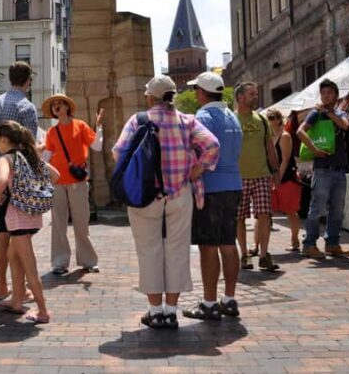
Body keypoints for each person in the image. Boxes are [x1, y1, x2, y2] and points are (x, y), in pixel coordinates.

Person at [113, 75, 219, 330]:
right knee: (177, 250)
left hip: (146, 194)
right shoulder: (186, 120)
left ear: (151, 97)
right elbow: (212, 145)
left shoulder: (139, 120)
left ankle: (155, 311)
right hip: (179, 193)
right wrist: (196, 169)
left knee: (148, 250)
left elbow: (118, 152)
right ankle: (171, 312)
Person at [182, 72, 243, 321]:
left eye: (196, 90)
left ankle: (209, 303)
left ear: (201, 92)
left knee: (208, 246)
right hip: (234, 185)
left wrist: (194, 171)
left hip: (211, 187)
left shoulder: (203, 117)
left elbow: (205, 149)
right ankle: (229, 299)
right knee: (228, 244)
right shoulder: (233, 117)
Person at [0, 61, 38, 301]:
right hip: (19, 180)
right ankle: (20, 288)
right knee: (20, 236)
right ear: (28, 81)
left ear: (9, 77)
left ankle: (2, 286)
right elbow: (31, 147)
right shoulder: (27, 107)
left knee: (3, 233)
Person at [0, 121, 59, 324]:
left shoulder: (6, 158)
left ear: (4, 140)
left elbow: (2, 180)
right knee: (12, 255)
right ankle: (16, 300)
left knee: (30, 266)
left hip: (18, 218)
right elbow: (56, 175)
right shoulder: (29, 156)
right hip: (33, 216)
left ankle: (43, 311)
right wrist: (35, 190)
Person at [41, 94, 103, 275]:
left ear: (67, 107)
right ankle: (59, 262)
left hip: (77, 180)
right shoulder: (52, 132)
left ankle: (88, 261)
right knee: (58, 223)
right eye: (54, 105)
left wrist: (99, 126)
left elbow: (97, 146)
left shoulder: (80, 125)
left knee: (81, 222)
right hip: (57, 181)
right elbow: (47, 156)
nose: (56, 106)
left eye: (60, 103)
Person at [297, 78, 349, 259]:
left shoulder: (340, 113)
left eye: (329, 93)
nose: (326, 96)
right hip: (322, 168)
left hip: (339, 169)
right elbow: (300, 131)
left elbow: (345, 125)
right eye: (323, 93)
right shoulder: (315, 113)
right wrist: (313, 149)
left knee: (337, 210)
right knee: (317, 209)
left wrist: (328, 112)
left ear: (336, 95)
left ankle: (332, 243)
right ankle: (309, 244)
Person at [234, 82, 281, 272]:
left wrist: (276, 171)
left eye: (256, 93)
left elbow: (270, 147)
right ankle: (244, 254)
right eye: (251, 94)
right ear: (240, 97)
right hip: (238, 177)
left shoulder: (261, 119)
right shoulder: (231, 120)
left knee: (264, 215)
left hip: (262, 175)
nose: (255, 96)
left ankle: (263, 255)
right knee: (239, 217)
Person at [267, 108, 303, 252]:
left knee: (290, 210)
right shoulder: (269, 137)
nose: (269, 121)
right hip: (272, 178)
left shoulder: (285, 136)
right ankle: (258, 244)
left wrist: (277, 179)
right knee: (265, 212)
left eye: (272, 117)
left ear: (278, 119)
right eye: (268, 118)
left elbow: (286, 160)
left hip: (287, 178)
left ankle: (295, 240)